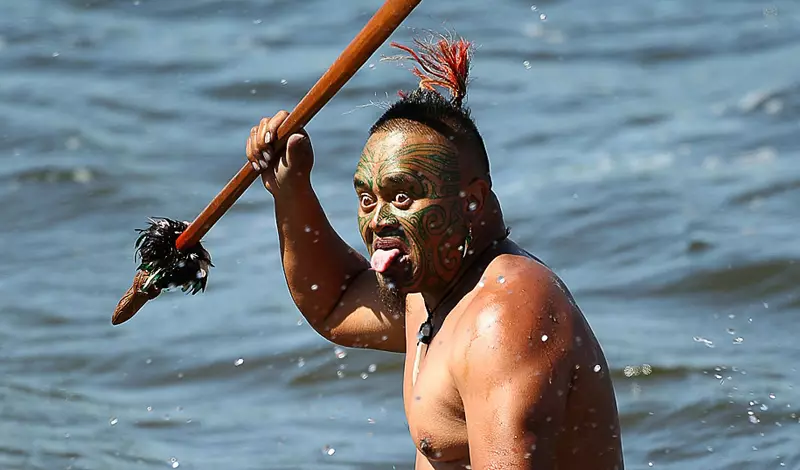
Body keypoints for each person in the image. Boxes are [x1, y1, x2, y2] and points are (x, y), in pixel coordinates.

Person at [245, 34, 624, 470]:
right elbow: (334, 303)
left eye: (403, 197)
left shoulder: (503, 316)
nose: (379, 220)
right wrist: (290, 190)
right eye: (368, 199)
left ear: (473, 201)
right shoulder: (432, 291)